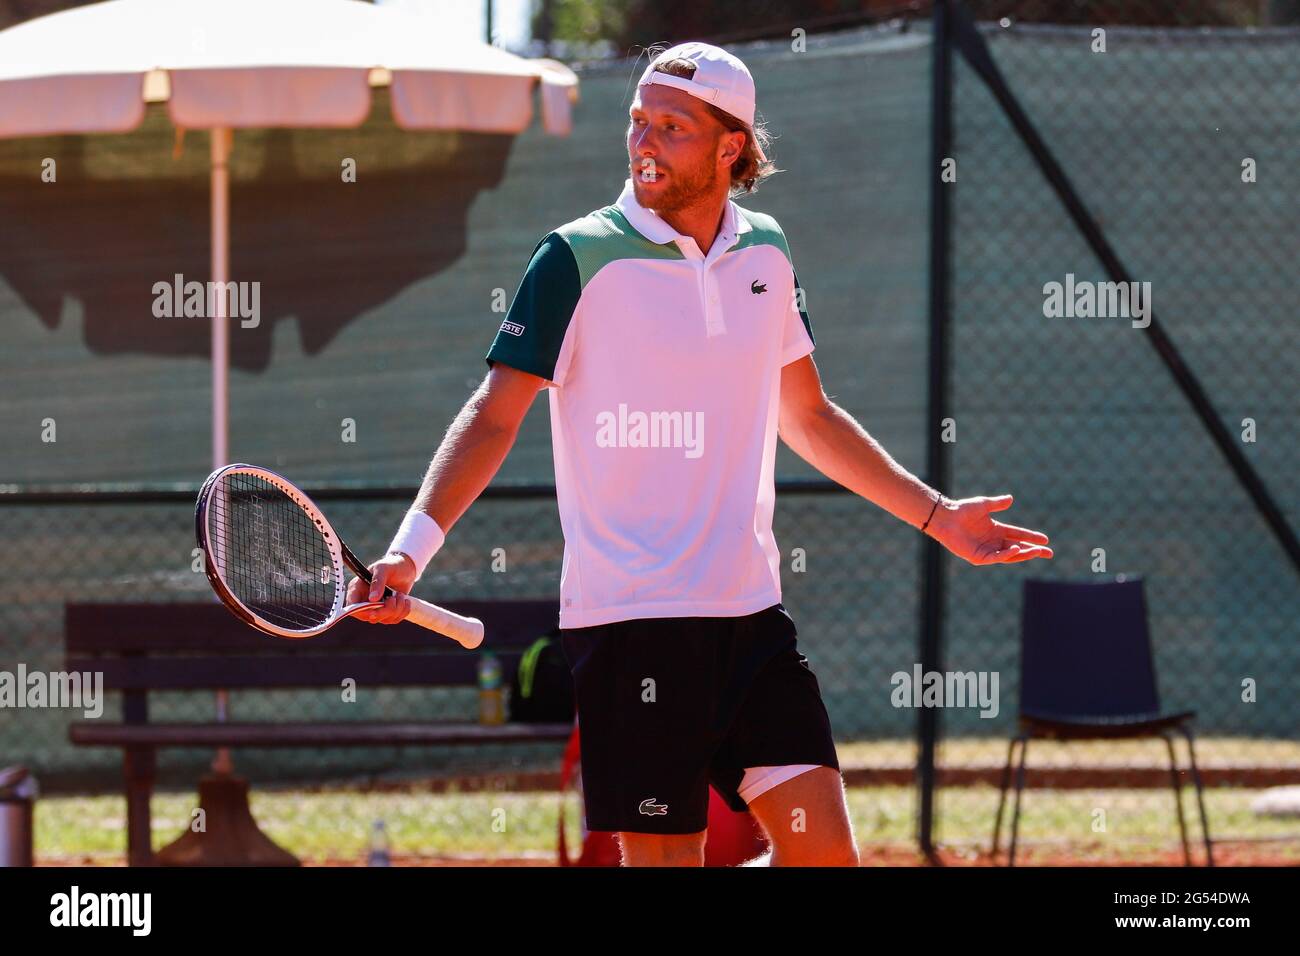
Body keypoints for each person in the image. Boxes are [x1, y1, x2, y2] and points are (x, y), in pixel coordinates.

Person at [347, 41, 1052, 867]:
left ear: (730, 146)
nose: (645, 141)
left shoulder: (768, 253)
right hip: (631, 626)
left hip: (751, 620)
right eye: (639, 121)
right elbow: (494, 416)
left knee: (827, 857)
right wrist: (409, 550)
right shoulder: (572, 258)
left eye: (672, 126)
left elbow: (811, 417)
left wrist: (938, 518)